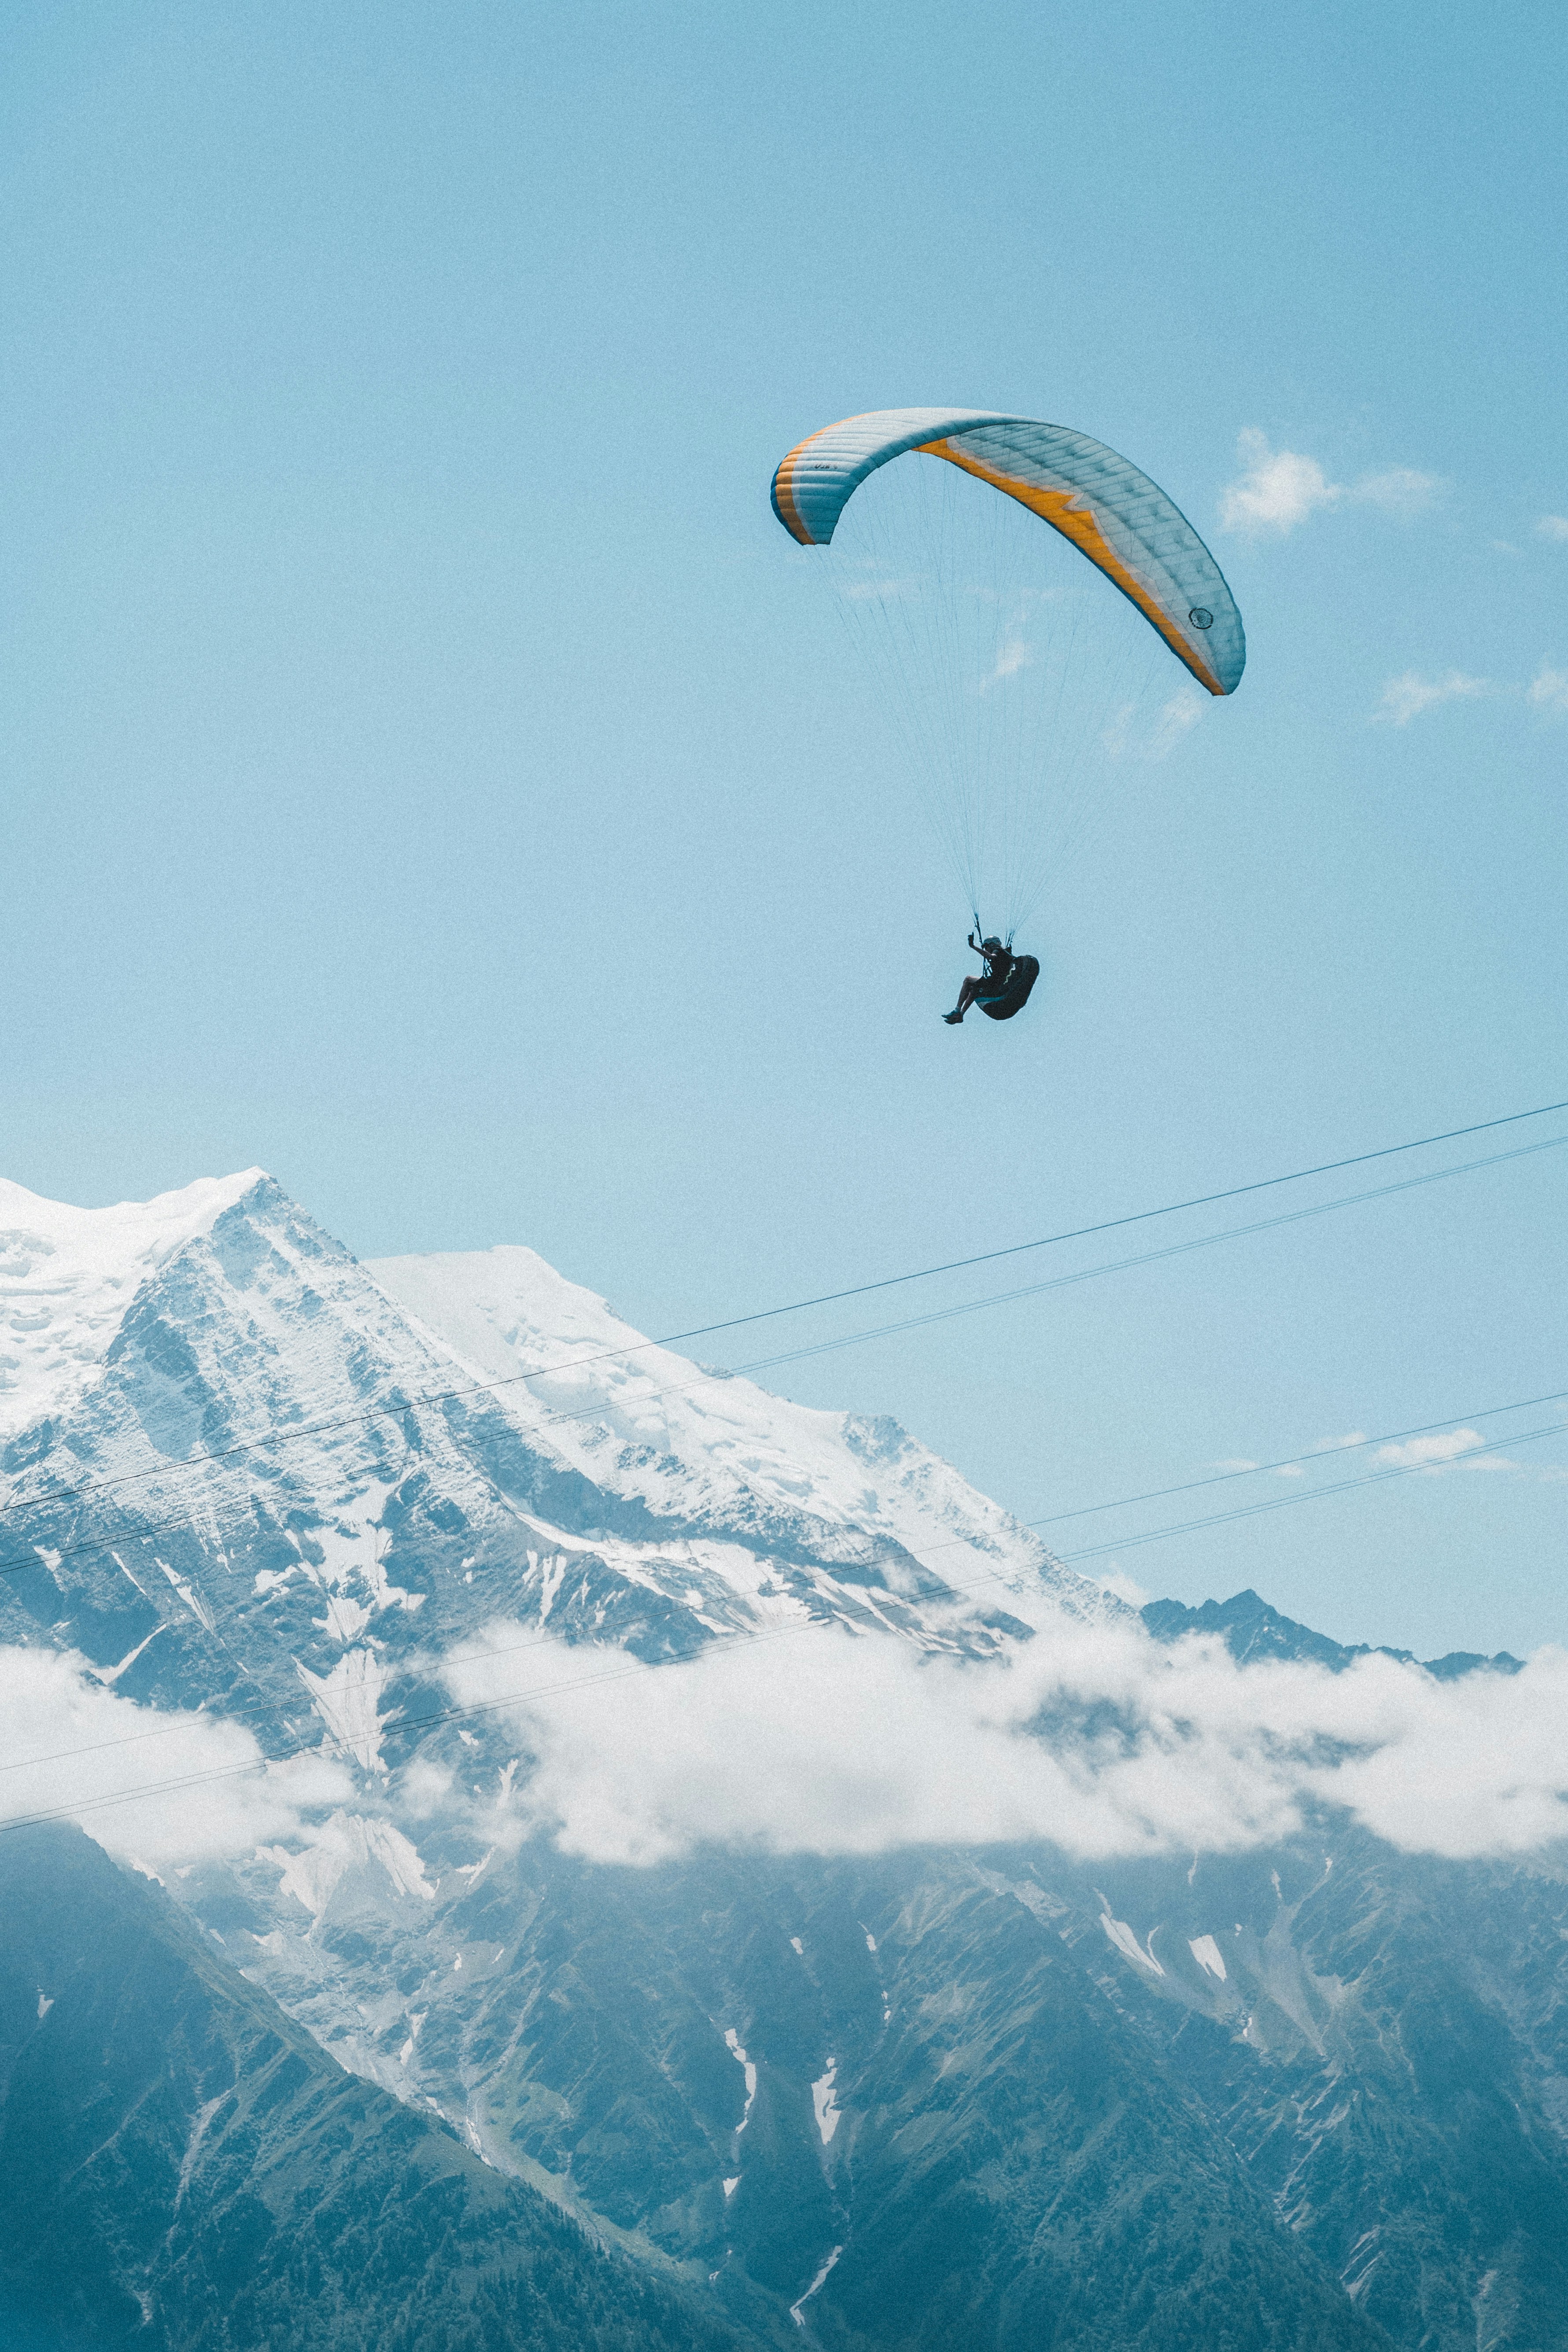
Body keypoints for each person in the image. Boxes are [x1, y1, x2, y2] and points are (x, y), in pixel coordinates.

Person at [943, 933, 1014, 1024]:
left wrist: (973, 946)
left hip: (995, 983)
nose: (986, 950)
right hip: (997, 984)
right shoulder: (1006, 953)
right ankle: (960, 1014)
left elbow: (991, 957)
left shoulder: (998, 950)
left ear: (992, 945)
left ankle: (957, 1010)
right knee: (975, 990)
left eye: (986, 947)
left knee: (968, 979)